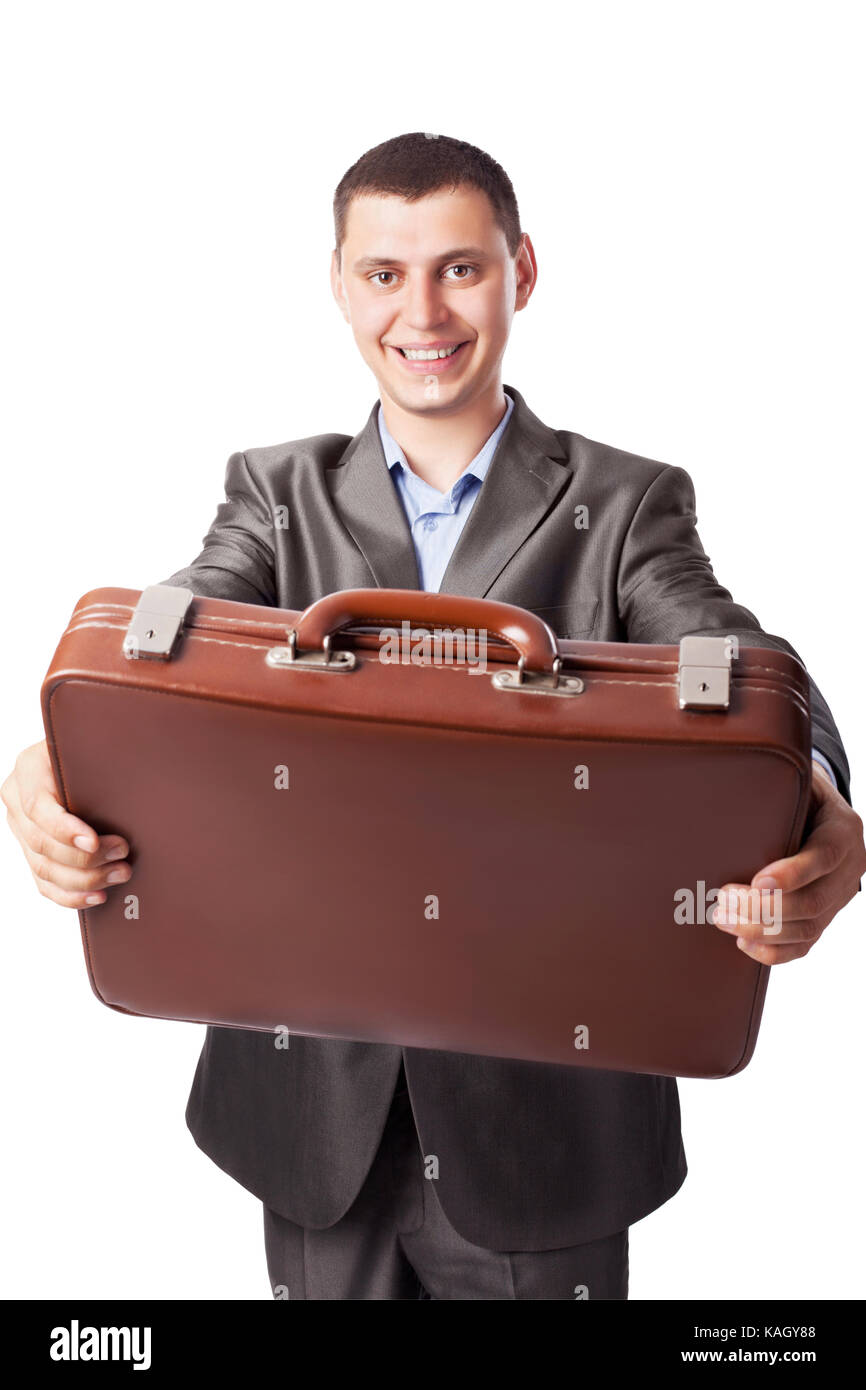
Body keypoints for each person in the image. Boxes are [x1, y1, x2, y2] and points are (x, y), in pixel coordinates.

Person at [4, 132, 864, 1301]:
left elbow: (737, 654)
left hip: (547, 1123)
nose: (422, 310)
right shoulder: (273, 493)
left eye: (459, 268)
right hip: (313, 1117)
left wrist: (815, 785)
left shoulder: (620, 505)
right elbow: (174, 635)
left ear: (521, 270)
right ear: (338, 284)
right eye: (383, 273)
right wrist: (52, 760)